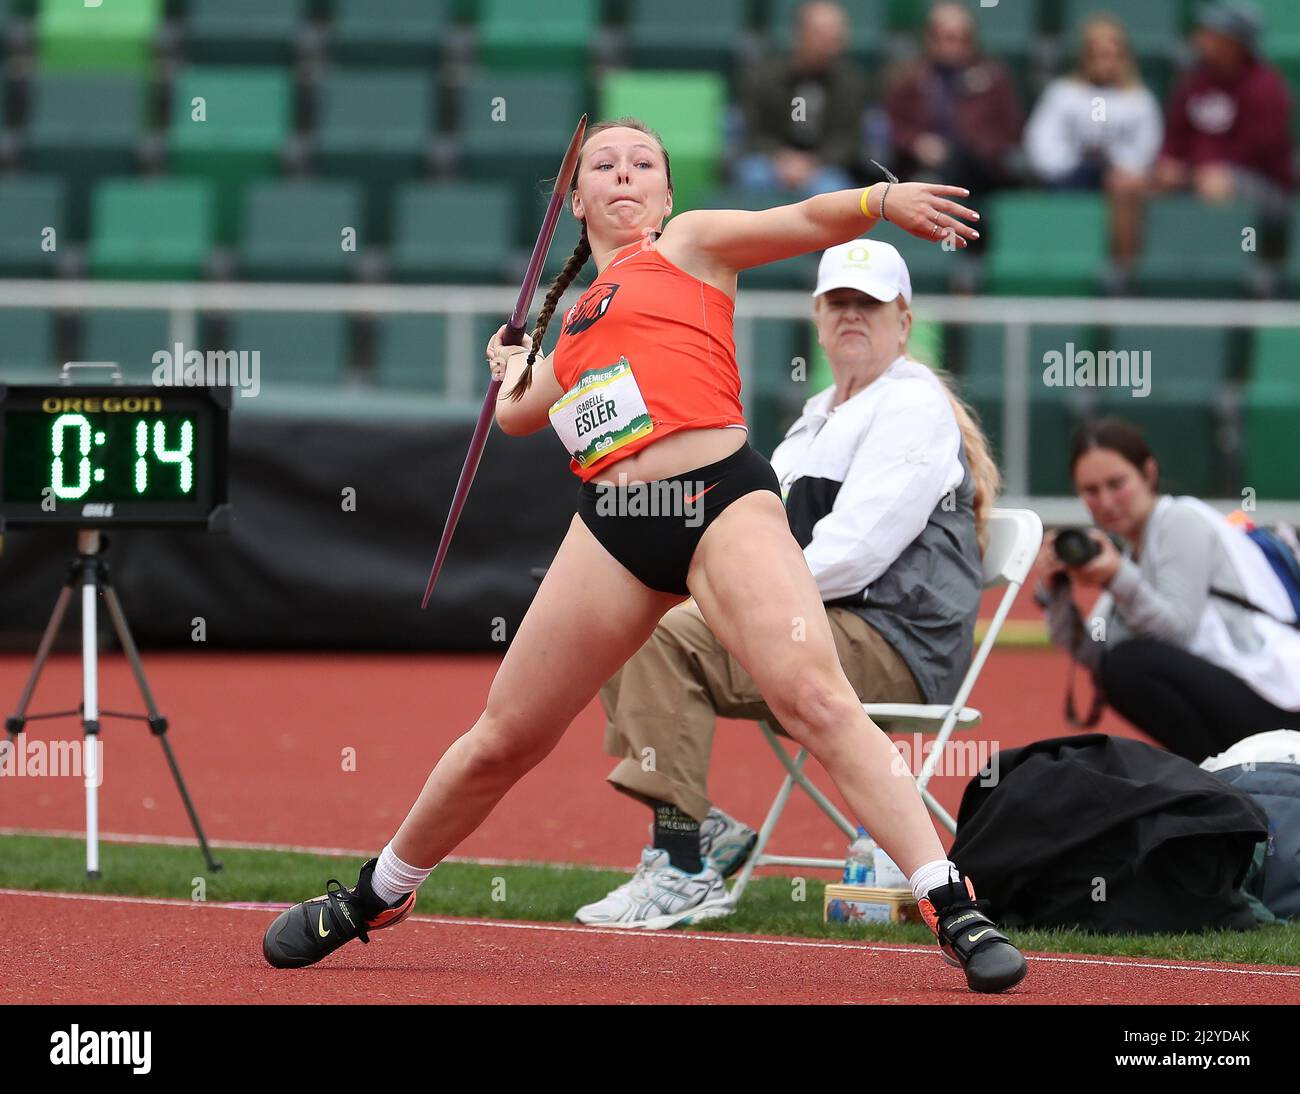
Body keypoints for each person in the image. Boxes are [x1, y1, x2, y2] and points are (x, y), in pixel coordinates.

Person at [262, 116, 1028, 994]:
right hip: (617, 523)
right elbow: (521, 414)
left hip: (720, 499)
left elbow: (807, 221)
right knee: (504, 736)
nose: (625, 174)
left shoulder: (694, 245)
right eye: (603, 165)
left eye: (644, 164)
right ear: (576, 199)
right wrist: (513, 363)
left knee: (815, 696)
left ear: (665, 197)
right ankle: (379, 895)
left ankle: (949, 901)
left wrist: (882, 200)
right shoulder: (580, 324)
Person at [575, 238, 999, 929]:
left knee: (666, 632)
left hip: (894, 645)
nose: (852, 316)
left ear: (904, 320)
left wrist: (737, 602)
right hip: (823, 628)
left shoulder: (913, 406)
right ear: (818, 317)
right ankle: (697, 834)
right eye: (839, 302)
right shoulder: (819, 414)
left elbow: (855, 552)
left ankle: (682, 862)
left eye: (870, 303)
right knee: (626, 621)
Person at [1034, 419, 1300, 763]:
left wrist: (1117, 577)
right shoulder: (1134, 554)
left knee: (1130, 664)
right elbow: (1094, 658)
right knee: (1120, 665)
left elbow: (1175, 631)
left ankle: (1216, 775)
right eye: (1091, 490)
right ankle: (1218, 775)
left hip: (1279, 700)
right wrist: (1054, 594)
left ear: (1148, 473)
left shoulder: (1179, 520)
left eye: (1116, 484)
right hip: (1248, 697)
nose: (1106, 501)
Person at [1023, 15, 1162, 269]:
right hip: (1069, 176)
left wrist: (1120, 166)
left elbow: (1146, 149)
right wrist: (1068, 166)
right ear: (1085, 57)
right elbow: (1041, 143)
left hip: (1118, 180)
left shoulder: (1140, 99)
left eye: (1112, 54)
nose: (1105, 62)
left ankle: (1125, 271)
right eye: (1098, 54)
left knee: (1125, 187)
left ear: (1124, 58)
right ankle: (1064, 268)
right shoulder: (1062, 93)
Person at [1151, 1, 1293, 215]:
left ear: (1233, 41)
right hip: (1196, 174)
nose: (1199, 38)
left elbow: (1264, 154)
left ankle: (1237, 247)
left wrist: (1198, 171)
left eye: (1209, 33)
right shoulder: (1194, 80)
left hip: (1264, 186)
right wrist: (1168, 164)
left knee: (1215, 185)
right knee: (1135, 185)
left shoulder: (1266, 86)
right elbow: (1174, 137)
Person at [885, 1, 1023, 197]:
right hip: (919, 166)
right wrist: (917, 143)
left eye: (963, 38)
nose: (956, 46)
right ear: (930, 38)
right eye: (948, 38)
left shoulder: (994, 78)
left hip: (979, 170)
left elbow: (1008, 130)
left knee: (957, 163)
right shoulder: (908, 78)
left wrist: (969, 147)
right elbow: (893, 126)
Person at [735, 0, 868, 197]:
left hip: (824, 167)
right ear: (800, 35)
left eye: (837, 37)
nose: (832, 44)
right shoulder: (763, 78)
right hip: (771, 160)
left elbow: (848, 141)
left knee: (832, 190)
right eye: (823, 36)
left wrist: (813, 163)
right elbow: (753, 132)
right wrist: (780, 158)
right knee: (754, 176)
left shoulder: (852, 83)